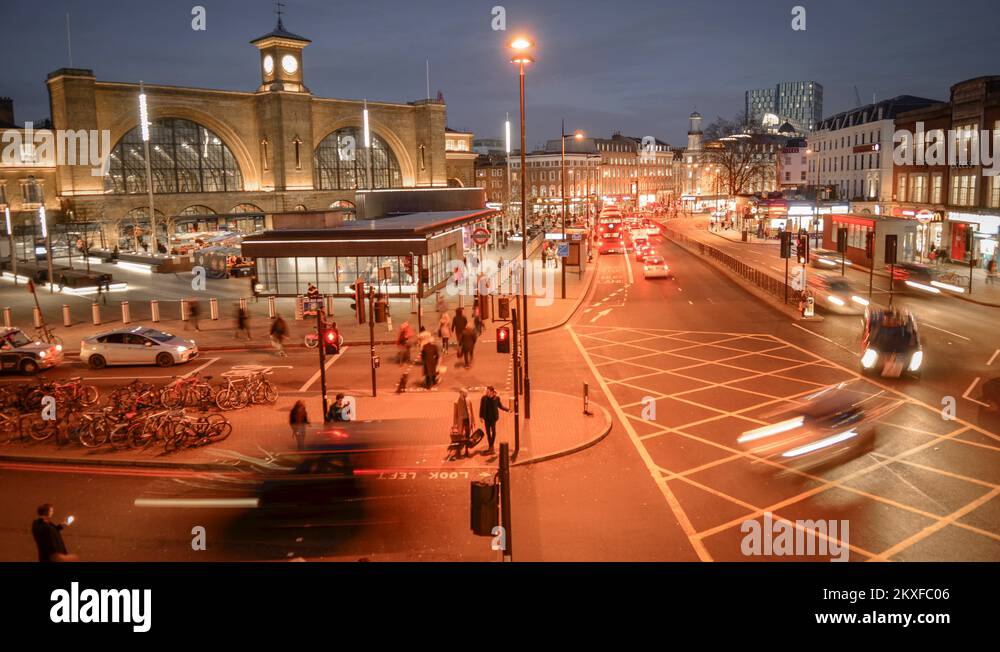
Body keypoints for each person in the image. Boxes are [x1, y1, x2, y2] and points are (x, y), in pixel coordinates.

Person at [478, 386, 510, 455]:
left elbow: (500, 406)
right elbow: (481, 407)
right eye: (486, 391)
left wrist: (508, 410)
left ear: (492, 392)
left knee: (494, 432)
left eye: (488, 392)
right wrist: (481, 416)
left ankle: (491, 446)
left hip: (493, 418)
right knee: (488, 433)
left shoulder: (496, 398)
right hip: (486, 418)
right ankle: (491, 447)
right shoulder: (484, 398)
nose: (487, 393)